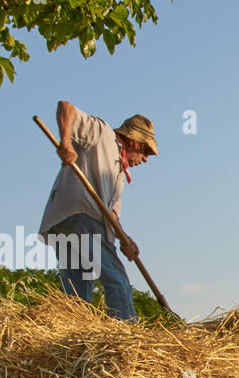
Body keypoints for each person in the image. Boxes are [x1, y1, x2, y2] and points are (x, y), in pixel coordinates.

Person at [40, 100, 157, 321]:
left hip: (64, 222)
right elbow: (66, 107)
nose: (145, 160)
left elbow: (111, 215)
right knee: (117, 280)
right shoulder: (103, 136)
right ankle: (125, 337)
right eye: (146, 152)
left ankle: (76, 340)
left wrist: (125, 240)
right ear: (136, 142)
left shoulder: (117, 177)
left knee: (77, 292)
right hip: (81, 215)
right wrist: (65, 142)